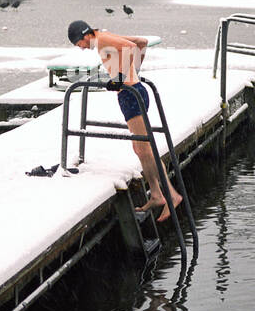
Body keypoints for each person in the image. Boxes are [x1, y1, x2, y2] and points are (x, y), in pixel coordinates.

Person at [67, 19, 182, 222]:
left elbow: (130, 47)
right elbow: (141, 42)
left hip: (131, 95)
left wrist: (121, 78)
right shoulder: (105, 37)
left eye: (79, 44)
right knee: (140, 149)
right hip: (134, 91)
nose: (82, 48)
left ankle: (171, 195)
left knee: (146, 149)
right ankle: (156, 194)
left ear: (84, 36)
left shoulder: (101, 40)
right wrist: (133, 72)